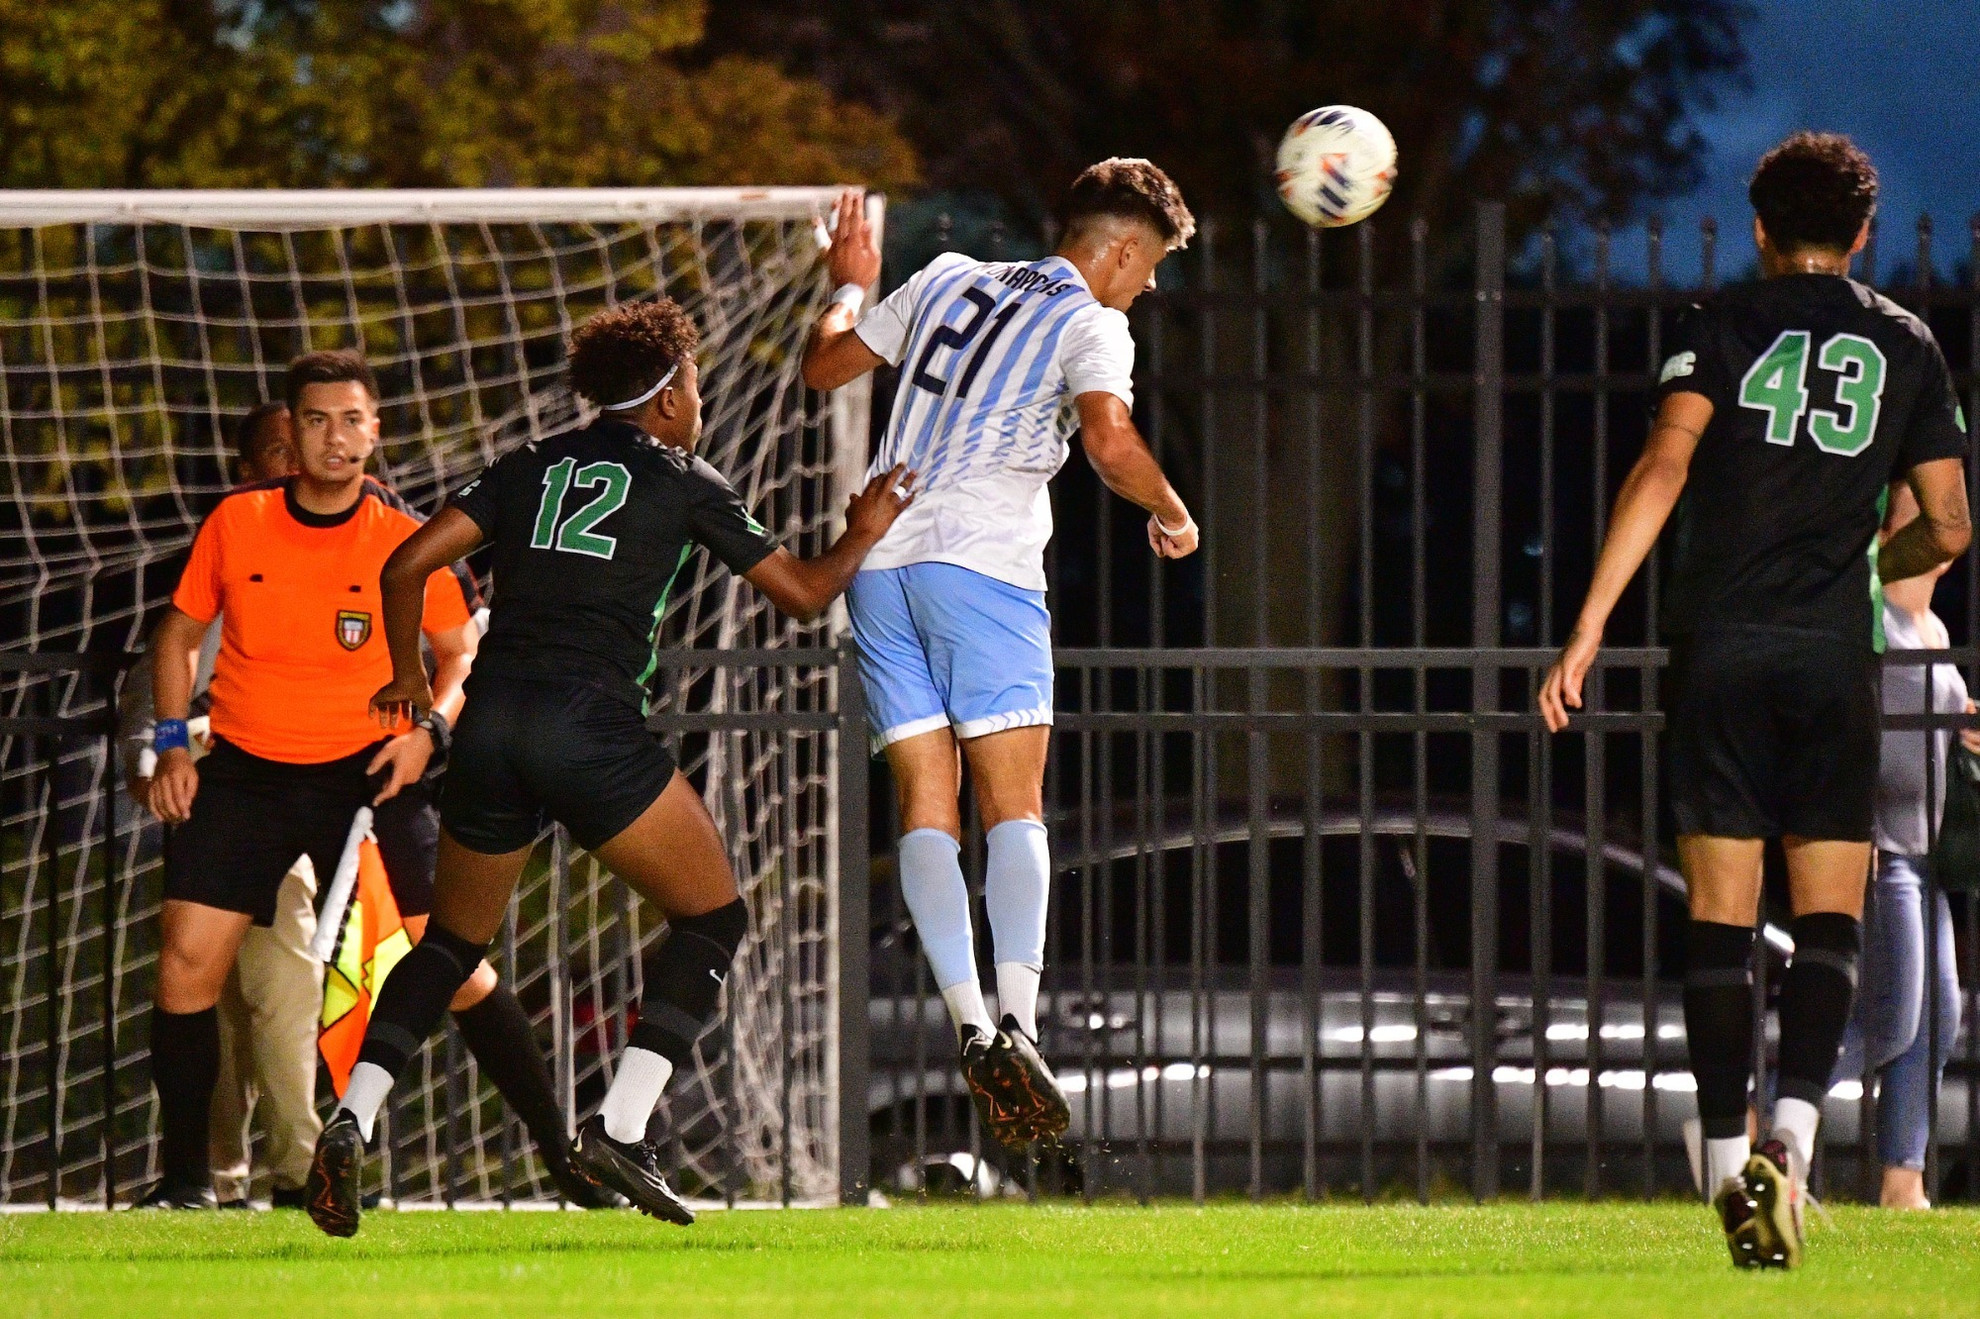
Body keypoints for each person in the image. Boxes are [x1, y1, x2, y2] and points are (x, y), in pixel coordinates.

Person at [302, 298, 913, 1236]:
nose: (701, 400)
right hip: (585, 725)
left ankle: (352, 1115)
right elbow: (801, 594)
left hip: (494, 723)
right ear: (668, 397)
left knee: (450, 946)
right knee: (714, 917)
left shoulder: (531, 462)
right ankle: (621, 1127)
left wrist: (407, 681)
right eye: (696, 384)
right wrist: (863, 529)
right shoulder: (682, 476)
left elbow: (403, 565)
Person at [1539, 132, 1970, 1269]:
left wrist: (1588, 622)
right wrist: (1875, 562)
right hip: (1834, 658)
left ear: (1762, 227)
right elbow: (1953, 520)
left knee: (1720, 922)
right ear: (1865, 233)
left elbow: (1664, 467)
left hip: (1720, 647)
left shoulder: (1717, 323)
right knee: (1832, 914)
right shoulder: (1907, 343)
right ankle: (1794, 1133)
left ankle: (1730, 1166)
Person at [141, 350, 605, 1210]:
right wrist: (174, 743)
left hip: (373, 780)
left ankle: (564, 1156)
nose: (335, 438)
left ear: (375, 431)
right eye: (316, 421)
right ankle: (184, 1184)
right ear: (292, 429)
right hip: (246, 773)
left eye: (352, 420)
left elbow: (463, 652)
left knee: (459, 964)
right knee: (185, 968)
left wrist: (431, 730)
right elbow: (175, 636)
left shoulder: (407, 538)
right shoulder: (237, 523)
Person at [800, 161, 1200, 1149]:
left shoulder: (941, 275)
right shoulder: (1095, 323)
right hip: (983, 569)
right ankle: (1017, 1018)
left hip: (881, 565)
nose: (1146, 287)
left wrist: (849, 281)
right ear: (1114, 251)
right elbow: (1109, 442)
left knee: (924, 804)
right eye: (1146, 266)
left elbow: (825, 368)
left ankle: (972, 1027)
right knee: (1012, 805)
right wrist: (1171, 506)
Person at [123, 402, 326, 1209]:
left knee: (282, 992)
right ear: (249, 473)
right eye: (277, 451)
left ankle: (301, 1174)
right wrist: (160, 761)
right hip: (211, 807)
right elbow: (148, 706)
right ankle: (206, 1177)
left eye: (303, 446)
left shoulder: (356, 555)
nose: (293, 464)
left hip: (296, 808)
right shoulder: (213, 568)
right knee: (200, 996)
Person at [1833, 484, 1974, 1209]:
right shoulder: (1872, 616)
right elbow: (1851, 724)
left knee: (1939, 1011)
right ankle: (1760, 1111)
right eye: (1916, 515)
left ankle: (1902, 1179)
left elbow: (1931, 720)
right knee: (1890, 1016)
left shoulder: (1934, 627)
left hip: (1926, 847)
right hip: (1879, 842)